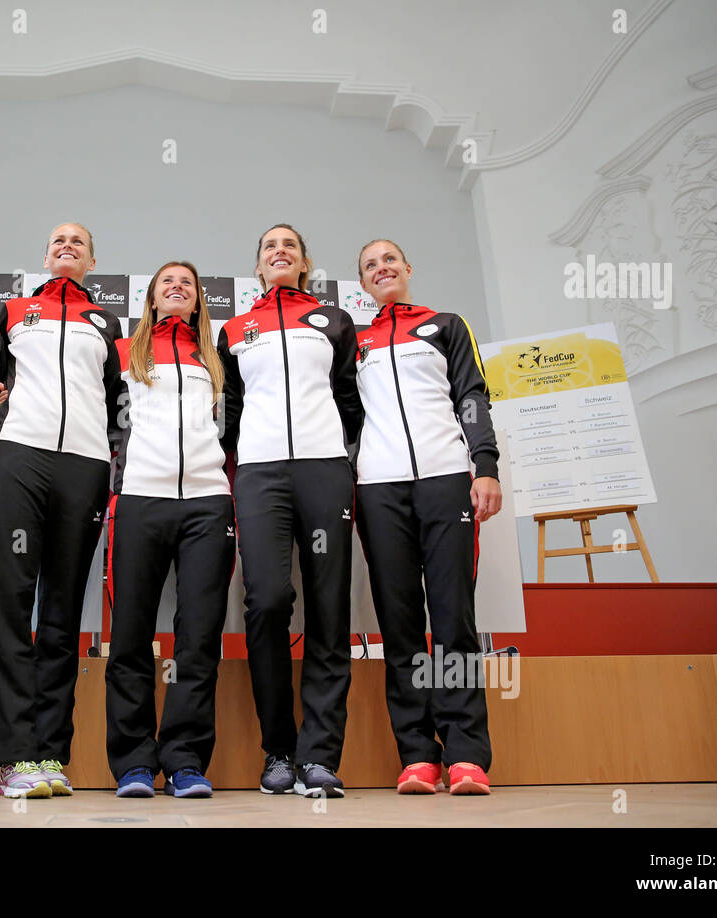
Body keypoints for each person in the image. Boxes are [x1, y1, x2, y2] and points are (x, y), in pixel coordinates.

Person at [352, 238, 502, 796]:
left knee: (453, 616)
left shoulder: (446, 325)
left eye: (389, 259)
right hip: (378, 487)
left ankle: (465, 753)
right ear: (363, 283)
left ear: (408, 269)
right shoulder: (355, 340)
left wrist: (484, 465)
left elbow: (472, 395)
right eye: (370, 265)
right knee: (400, 622)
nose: (382, 268)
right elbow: (345, 413)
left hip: (445, 480)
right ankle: (417, 753)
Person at [218, 224, 363, 797]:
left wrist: (331, 450)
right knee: (269, 601)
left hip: (324, 470)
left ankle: (321, 755)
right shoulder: (235, 328)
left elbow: (351, 397)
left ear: (304, 263)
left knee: (329, 606)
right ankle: (279, 750)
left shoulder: (334, 321)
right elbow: (228, 407)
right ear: (257, 267)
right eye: (268, 248)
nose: (279, 253)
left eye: (289, 247)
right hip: (258, 474)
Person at [0, 222, 122, 798]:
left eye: (79, 244)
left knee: (62, 610)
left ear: (92, 260)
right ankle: (15, 757)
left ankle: (50, 754)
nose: (67, 249)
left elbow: (118, 398)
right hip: (21, 459)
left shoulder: (106, 323)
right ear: (45, 256)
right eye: (58, 243)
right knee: (12, 602)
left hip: (84, 467)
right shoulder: (14, 311)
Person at [104, 261, 235, 798]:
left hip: (208, 502)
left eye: (187, 283)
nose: (177, 287)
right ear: (152, 299)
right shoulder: (122, 354)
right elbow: (103, 421)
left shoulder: (216, 358)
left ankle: (184, 760)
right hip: (140, 499)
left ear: (199, 300)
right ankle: (134, 762)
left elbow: (238, 424)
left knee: (197, 639)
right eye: (167, 283)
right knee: (131, 635)